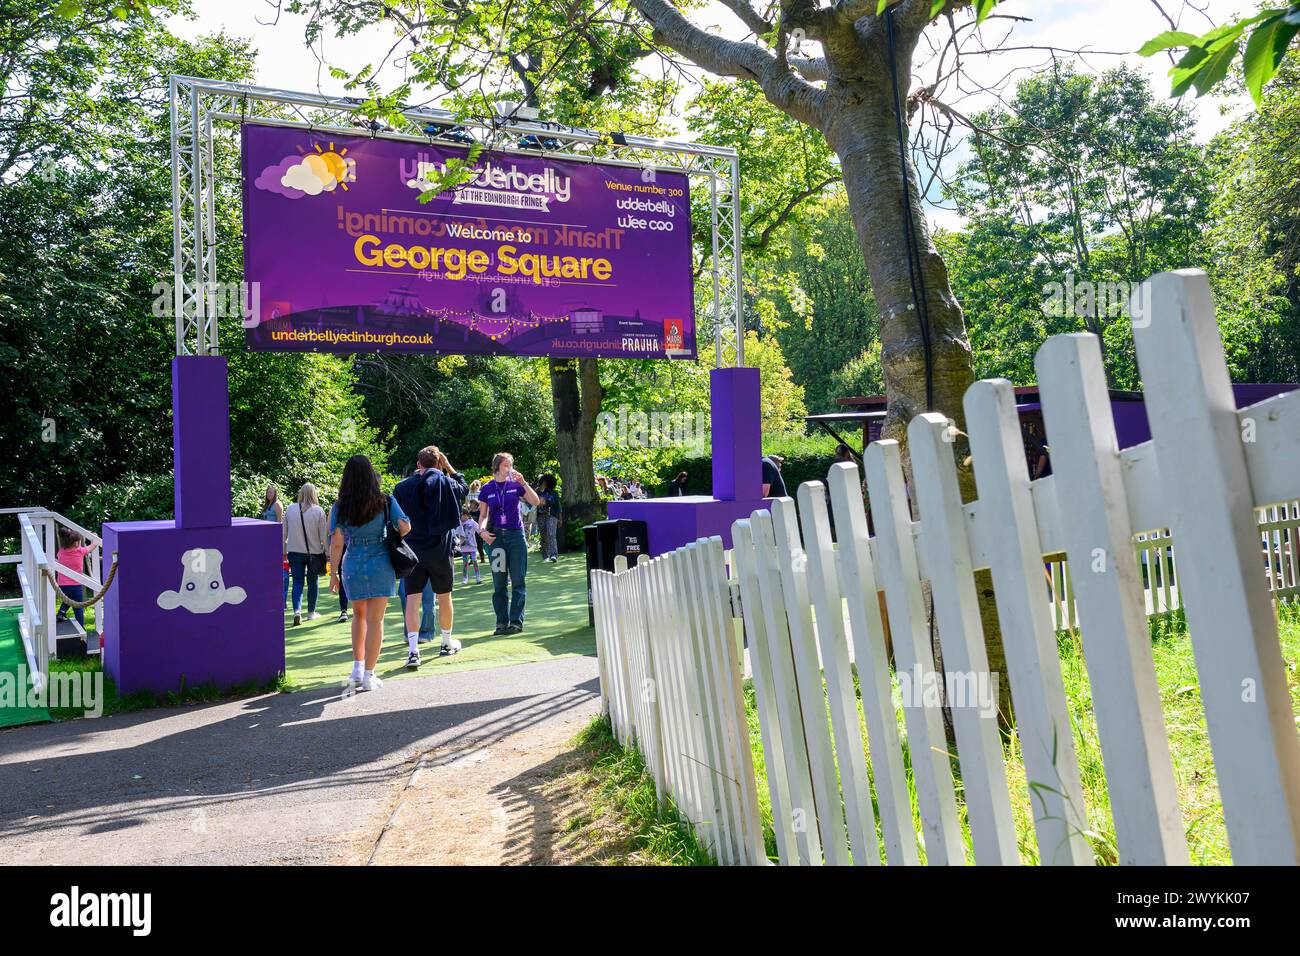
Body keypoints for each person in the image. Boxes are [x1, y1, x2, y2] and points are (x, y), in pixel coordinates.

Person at [328, 455, 410, 691]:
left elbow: (336, 543)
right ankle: (369, 675)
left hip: (353, 562)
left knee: (358, 616)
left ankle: (356, 667)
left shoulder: (340, 506)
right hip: (380, 561)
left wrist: (333, 574)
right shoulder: (385, 501)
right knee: (376, 620)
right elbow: (405, 526)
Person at [393, 445, 468, 666]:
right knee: (444, 597)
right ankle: (446, 642)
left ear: (418, 464)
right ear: (439, 463)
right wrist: (449, 467)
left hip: (413, 551)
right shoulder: (446, 483)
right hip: (440, 551)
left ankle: (414, 650)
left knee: (412, 600)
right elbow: (463, 487)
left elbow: (397, 519)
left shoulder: (402, 487)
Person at [478, 452, 541, 635]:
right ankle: (501, 623)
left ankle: (516, 622)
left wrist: (524, 483)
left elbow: (535, 501)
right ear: (497, 466)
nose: (510, 469)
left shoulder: (516, 484)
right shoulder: (487, 488)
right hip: (496, 538)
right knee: (499, 583)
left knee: (518, 580)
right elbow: (483, 516)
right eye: (506, 465)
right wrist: (482, 532)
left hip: (516, 536)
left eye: (511, 465)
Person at [284, 483, 328, 626]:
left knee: (297, 582)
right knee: (312, 582)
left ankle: (297, 611)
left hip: (294, 551)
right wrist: (327, 552)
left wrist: (283, 551)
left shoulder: (290, 509)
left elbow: (283, 533)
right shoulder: (319, 511)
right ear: (314, 494)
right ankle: (311, 613)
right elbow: (323, 537)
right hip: (314, 553)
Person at [55, 527, 93, 626]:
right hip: (76, 585)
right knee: (78, 606)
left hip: (62, 584)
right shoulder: (80, 551)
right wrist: (94, 538)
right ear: (76, 542)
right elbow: (93, 546)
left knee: (68, 599)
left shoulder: (61, 552)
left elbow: (73, 541)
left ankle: (61, 612)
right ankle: (81, 627)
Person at [262, 484, 288, 608]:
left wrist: (278, 541)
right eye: (268, 492)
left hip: (275, 540)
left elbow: (279, 523)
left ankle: (283, 599)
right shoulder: (267, 505)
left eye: (271, 492)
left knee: (280, 568)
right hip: (266, 540)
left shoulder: (277, 504)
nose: (269, 494)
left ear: (275, 493)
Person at [537, 474, 562, 563]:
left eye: (545, 482)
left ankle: (554, 555)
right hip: (540, 516)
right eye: (542, 482)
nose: (543, 484)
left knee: (552, 534)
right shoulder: (537, 492)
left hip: (552, 516)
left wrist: (560, 518)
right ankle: (545, 555)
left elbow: (558, 507)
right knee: (544, 536)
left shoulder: (554, 493)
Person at [457, 505, 483, 584]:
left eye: (461, 516)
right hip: (463, 546)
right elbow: (456, 533)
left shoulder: (472, 522)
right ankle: (465, 578)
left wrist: (483, 534)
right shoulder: (459, 523)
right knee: (465, 562)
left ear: (466, 515)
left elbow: (479, 530)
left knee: (474, 561)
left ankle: (478, 577)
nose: (460, 518)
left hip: (472, 546)